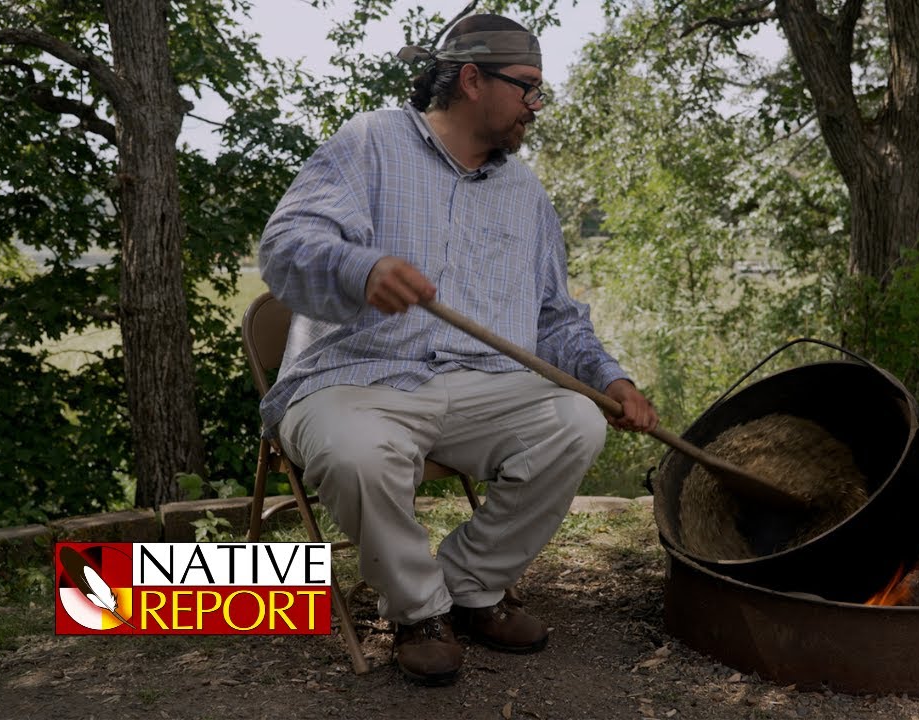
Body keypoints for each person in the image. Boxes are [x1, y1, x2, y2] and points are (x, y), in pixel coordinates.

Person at [257, 13, 658, 686]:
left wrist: (609, 380)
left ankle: (470, 585)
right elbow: (284, 246)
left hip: (481, 387)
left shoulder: (524, 192)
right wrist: (359, 267)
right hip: (352, 379)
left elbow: (555, 318)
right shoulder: (371, 142)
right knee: (357, 454)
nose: (537, 105)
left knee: (576, 422)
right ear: (472, 79)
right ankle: (417, 611)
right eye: (527, 87)